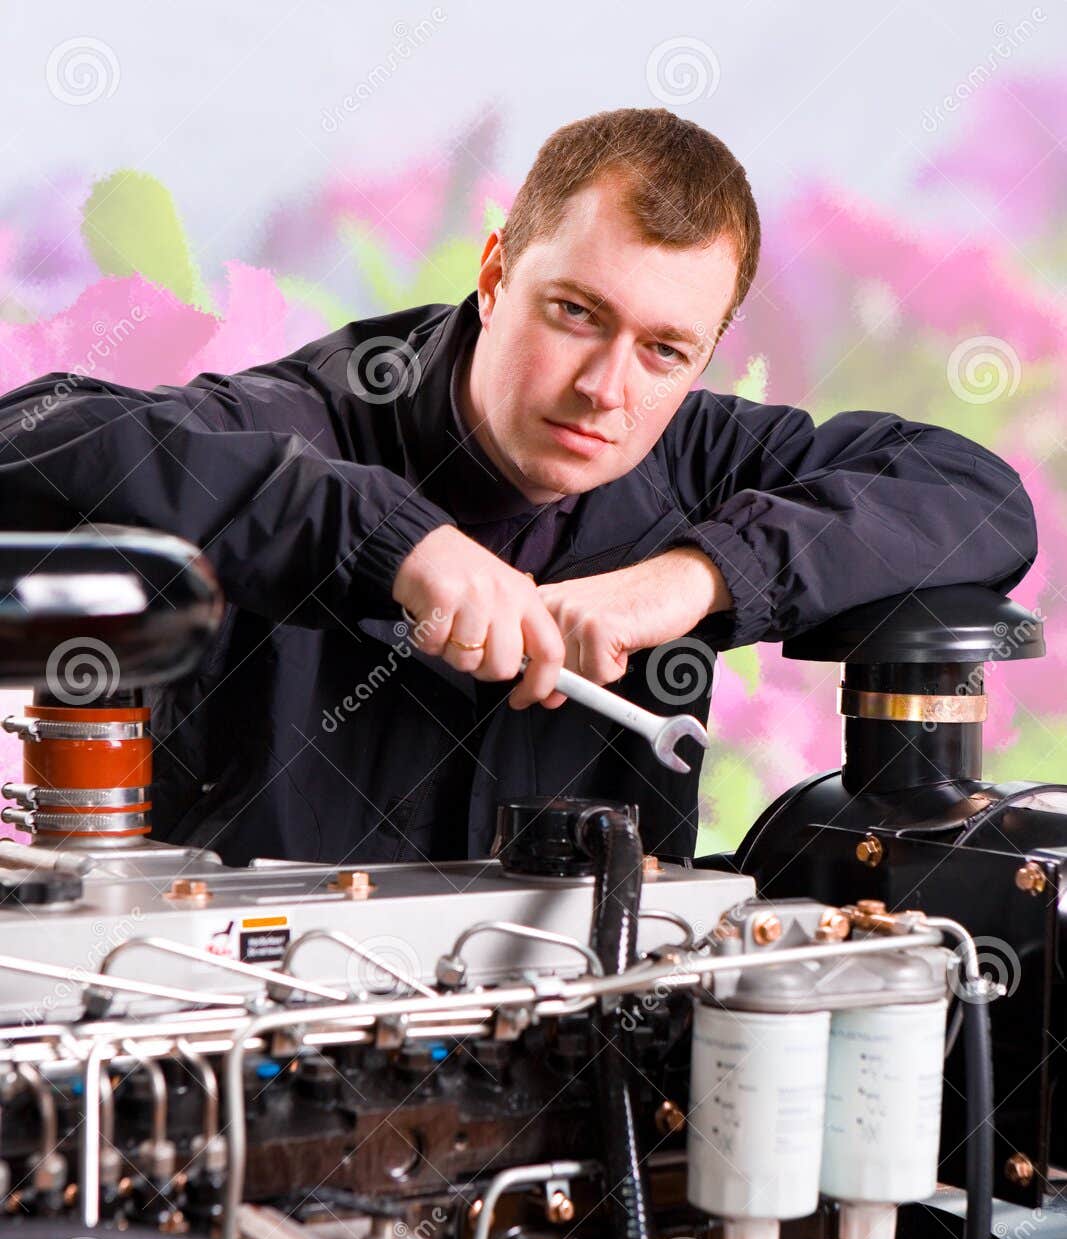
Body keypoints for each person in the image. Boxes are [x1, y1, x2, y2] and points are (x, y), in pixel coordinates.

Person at [0, 108, 1036, 867]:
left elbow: (976, 497)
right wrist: (385, 537)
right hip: (255, 1074)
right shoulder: (316, 415)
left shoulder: (697, 458)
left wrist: (691, 577)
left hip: (575, 1088)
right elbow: (30, 436)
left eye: (664, 349)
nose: (603, 389)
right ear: (494, 275)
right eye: (575, 313)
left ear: (706, 351)